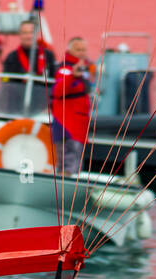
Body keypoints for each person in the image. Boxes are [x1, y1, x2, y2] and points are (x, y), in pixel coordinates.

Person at [50, 37, 92, 176]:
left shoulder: (84, 68)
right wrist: (72, 75)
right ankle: (64, 192)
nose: (81, 52)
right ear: (70, 50)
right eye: (78, 49)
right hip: (67, 126)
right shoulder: (65, 70)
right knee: (68, 164)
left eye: (83, 49)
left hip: (78, 126)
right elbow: (57, 91)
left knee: (73, 163)